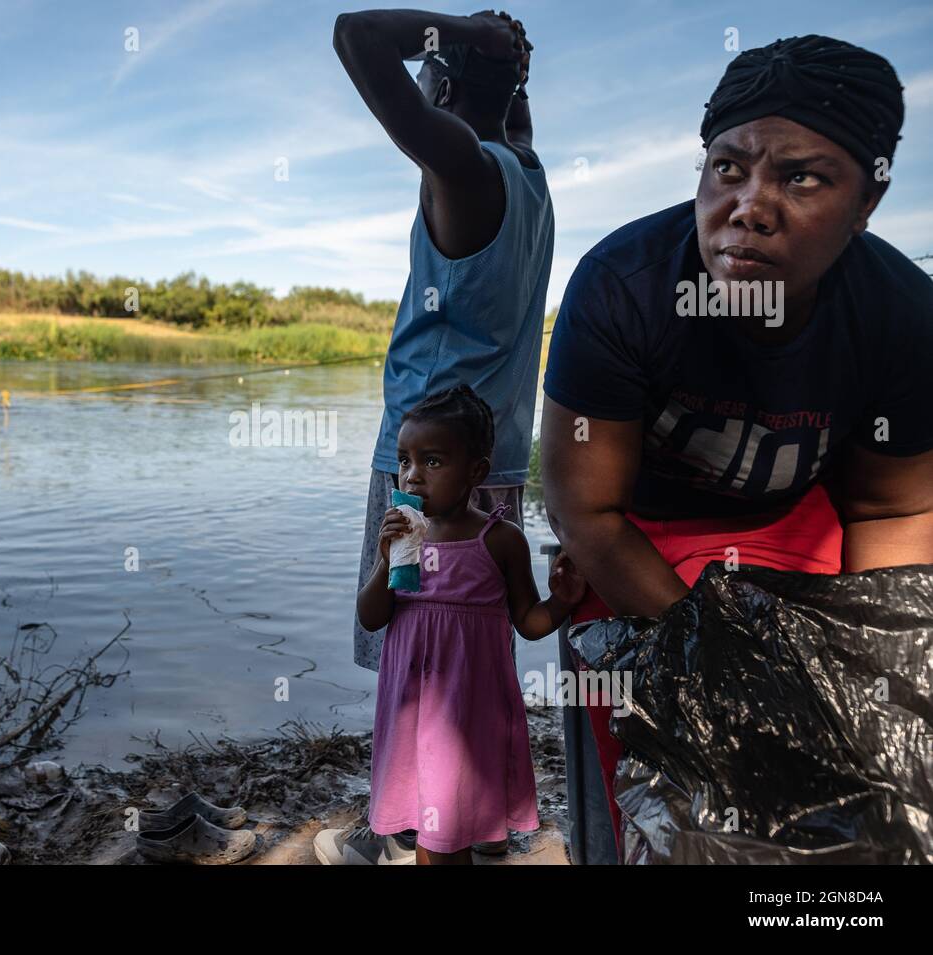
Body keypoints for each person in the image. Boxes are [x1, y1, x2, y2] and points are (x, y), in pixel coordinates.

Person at [541, 35, 933, 860]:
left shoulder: (900, 315)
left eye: (803, 176)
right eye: (728, 167)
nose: (750, 204)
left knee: (842, 777)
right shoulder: (623, 289)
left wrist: (856, 676)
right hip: (635, 544)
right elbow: (586, 509)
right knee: (650, 788)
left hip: (799, 529)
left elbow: (893, 507)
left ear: (867, 203)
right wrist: (716, 656)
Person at [324, 6, 554, 864]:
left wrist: (464, 29)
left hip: (426, 472)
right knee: (472, 661)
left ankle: (412, 829)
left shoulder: (462, 169)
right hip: (493, 473)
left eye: (430, 80)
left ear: (443, 87)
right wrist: (508, 57)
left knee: (411, 655)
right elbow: (509, 110)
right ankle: (473, 819)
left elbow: (354, 33)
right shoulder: (527, 174)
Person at [341, 386, 584, 865]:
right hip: (413, 710)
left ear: (477, 471)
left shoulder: (500, 540)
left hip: (468, 714)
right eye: (405, 460)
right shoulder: (402, 536)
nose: (412, 476)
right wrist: (385, 562)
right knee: (432, 826)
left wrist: (562, 601)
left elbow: (530, 623)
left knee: (448, 830)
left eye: (432, 462)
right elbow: (372, 618)